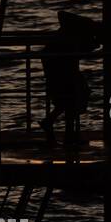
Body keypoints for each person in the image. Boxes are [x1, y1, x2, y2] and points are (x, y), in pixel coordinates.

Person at [39, 10, 101, 145]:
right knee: (74, 97)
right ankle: (67, 134)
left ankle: (56, 127)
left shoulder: (79, 33)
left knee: (69, 99)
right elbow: (80, 49)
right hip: (61, 67)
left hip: (60, 66)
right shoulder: (82, 28)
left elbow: (80, 50)